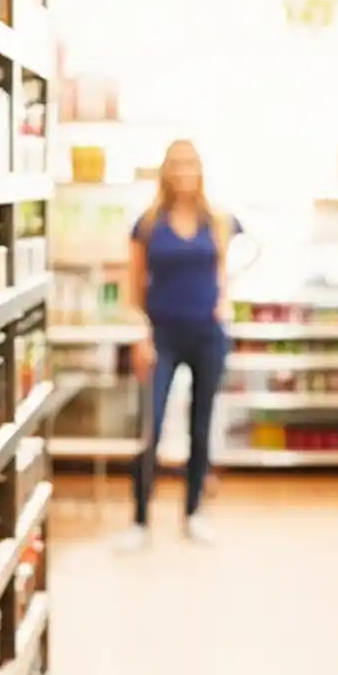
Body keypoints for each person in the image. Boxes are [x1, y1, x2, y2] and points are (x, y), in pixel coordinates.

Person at [120, 139, 255, 549]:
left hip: (207, 335)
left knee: (201, 425)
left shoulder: (218, 220)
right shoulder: (147, 224)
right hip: (162, 336)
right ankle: (139, 520)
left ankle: (193, 512)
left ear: (200, 169)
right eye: (176, 164)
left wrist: (225, 292)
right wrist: (141, 335)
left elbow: (249, 250)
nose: (183, 171)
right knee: (152, 424)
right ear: (165, 170)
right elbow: (132, 290)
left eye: (189, 163)